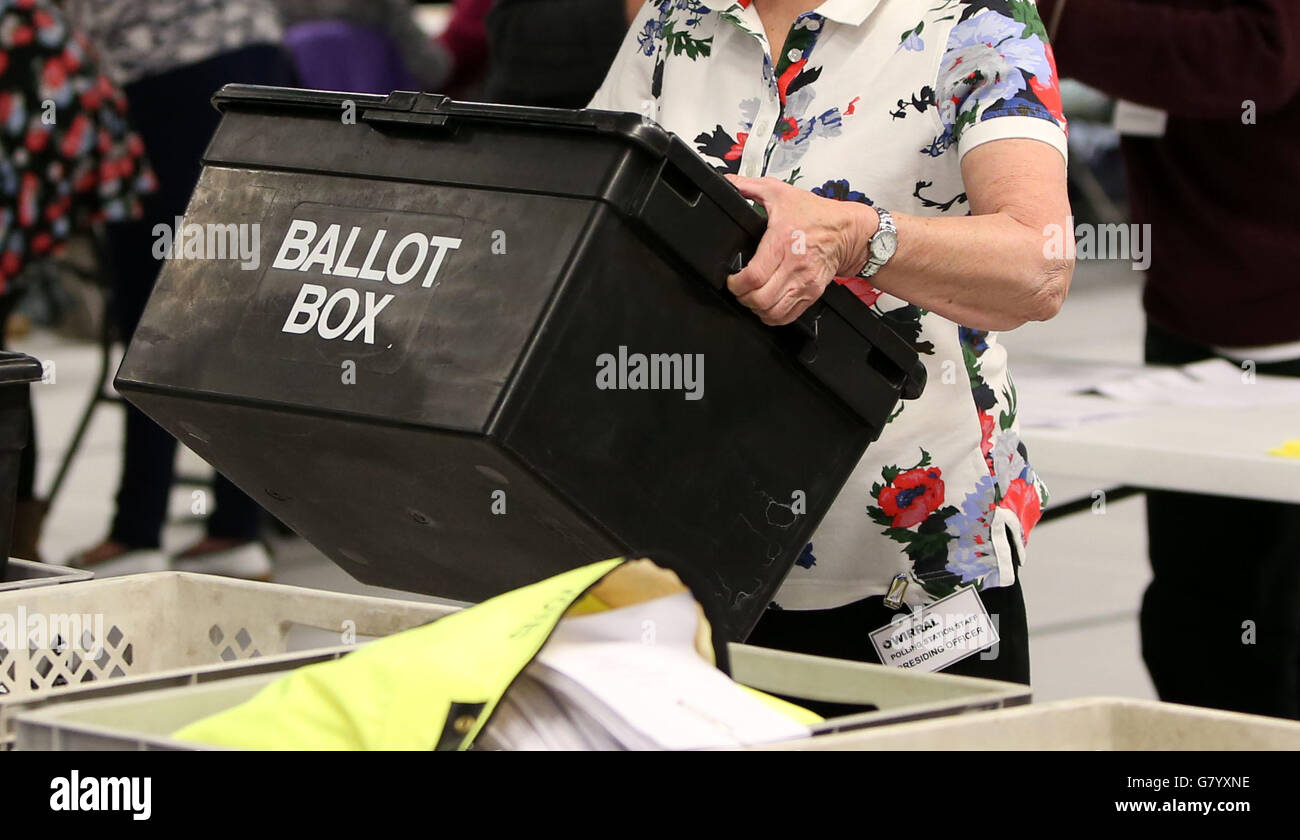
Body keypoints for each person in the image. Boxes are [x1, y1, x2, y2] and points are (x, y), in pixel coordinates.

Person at [590, 0, 1074, 688]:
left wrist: (856, 237)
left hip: (904, 572)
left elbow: (1040, 266)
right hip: (686, 553)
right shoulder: (676, 17)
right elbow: (596, 215)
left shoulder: (972, 18)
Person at [1037, 0, 1300, 720]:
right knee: (1199, 616)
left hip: (1271, 311)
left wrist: (1051, 18)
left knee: (1259, 629)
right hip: (1196, 296)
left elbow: (1265, 55)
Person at [62, 0, 298, 580]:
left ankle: (139, 530)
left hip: (166, 80)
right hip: (258, 67)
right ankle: (236, 528)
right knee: (240, 303)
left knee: (158, 310)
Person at [0, 0, 153, 562]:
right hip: (48, 123)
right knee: (6, 368)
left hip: (36, 119)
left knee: (4, 370)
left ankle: (15, 539)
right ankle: (17, 537)